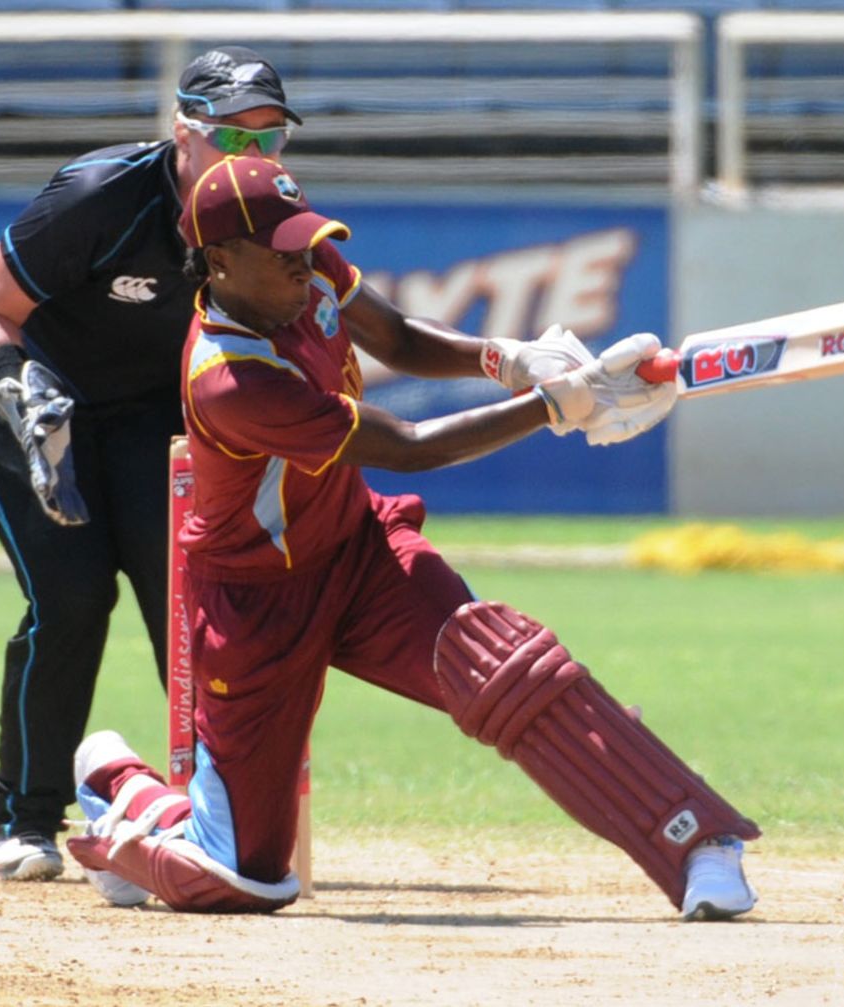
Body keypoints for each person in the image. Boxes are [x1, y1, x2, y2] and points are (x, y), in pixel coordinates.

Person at [65, 154, 760, 921]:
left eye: (308, 241)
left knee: (501, 666)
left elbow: (393, 337)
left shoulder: (306, 266)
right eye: (282, 250)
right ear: (220, 259)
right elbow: (410, 444)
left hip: (357, 549)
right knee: (247, 879)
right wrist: (555, 406)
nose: (304, 261)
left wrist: (511, 359)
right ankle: (125, 798)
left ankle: (696, 841)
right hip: (254, 603)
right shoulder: (230, 378)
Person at [0, 46, 309, 882]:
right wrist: (16, 391)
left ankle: (204, 813)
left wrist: (508, 367)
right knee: (72, 592)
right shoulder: (100, 194)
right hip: (20, 386)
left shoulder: (274, 216)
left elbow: (344, 326)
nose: (253, 162)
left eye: (271, 141)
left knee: (186, 595)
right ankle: (26, 816)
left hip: (149, 410)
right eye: (233, 140)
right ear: (183, 134)